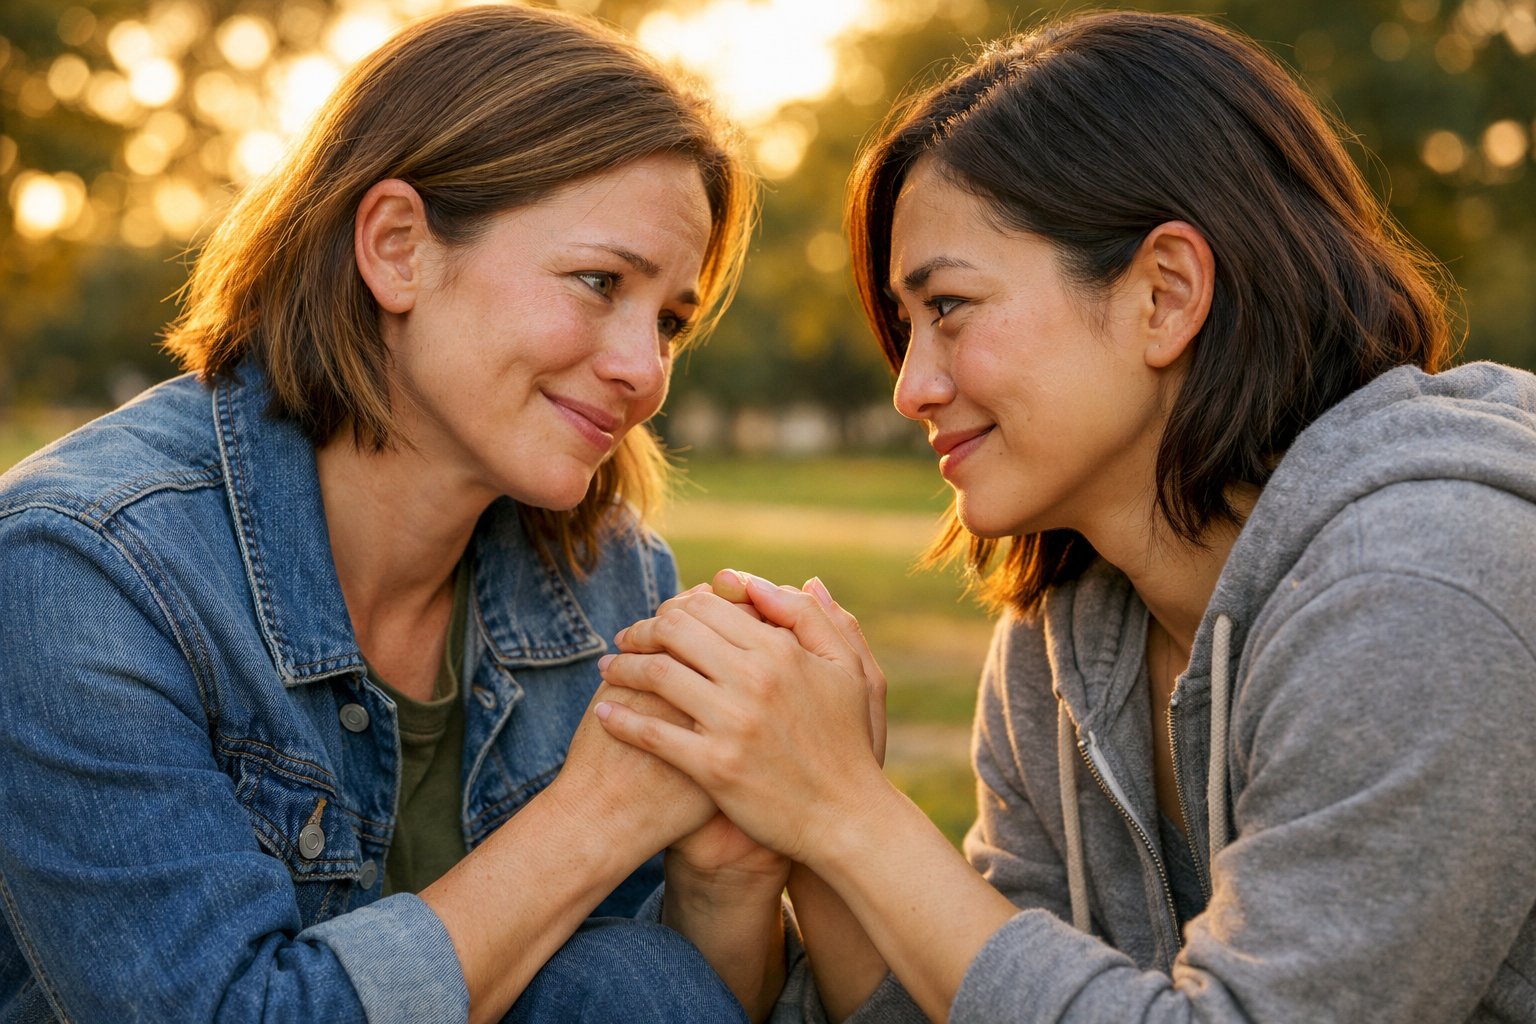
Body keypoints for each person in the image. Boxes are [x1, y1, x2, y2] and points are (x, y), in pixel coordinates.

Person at [593, 10, 1536, 1023]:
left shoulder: (1419, 589)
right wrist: (790, 830)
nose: (912, 387)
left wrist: (845, 811)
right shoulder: (1069, 637)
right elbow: (988, 997)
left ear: (1165, 295)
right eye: (906, 326)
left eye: (948, 307)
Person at [0, 6, 789, 1022]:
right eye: (600, 283)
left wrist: (730, 868)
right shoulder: (82, 569)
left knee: (632, 973)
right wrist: (596, 817)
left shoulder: (611, 576)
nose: (645, 370)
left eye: (671, 321)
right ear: (397, 247)